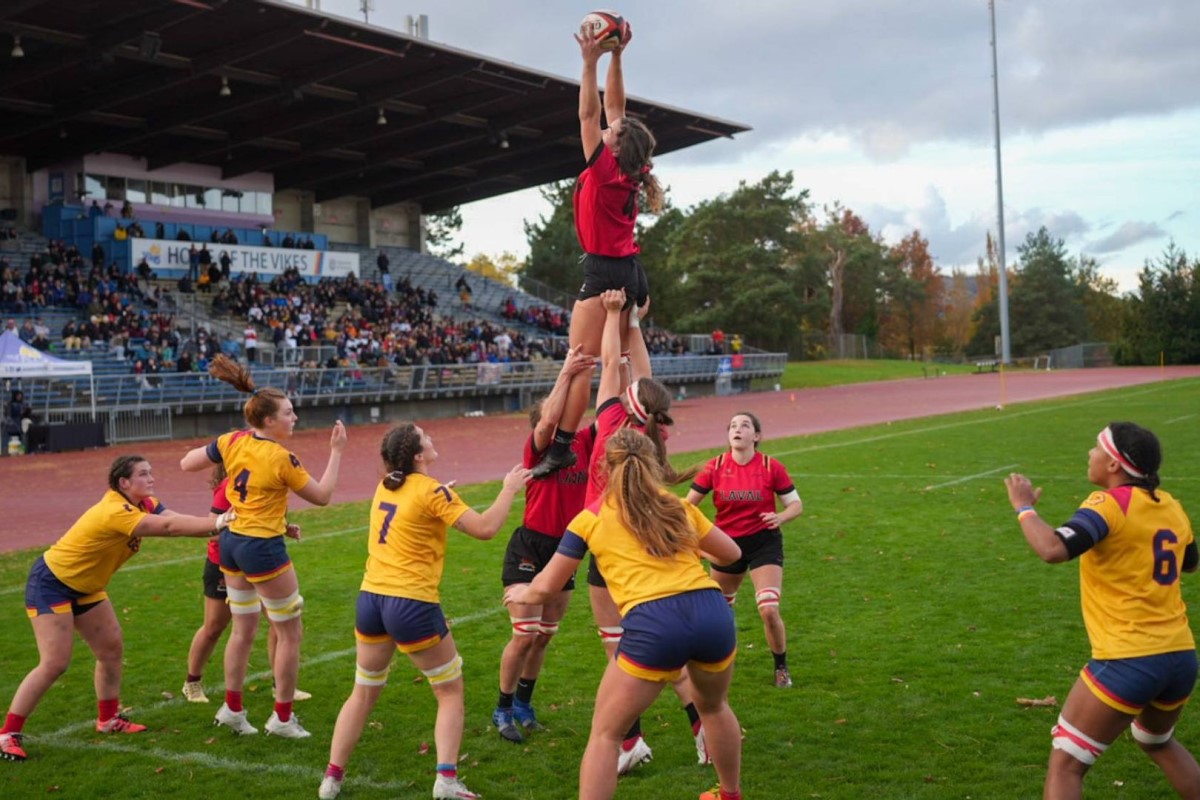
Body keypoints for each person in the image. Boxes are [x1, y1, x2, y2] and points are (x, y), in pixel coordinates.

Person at [506, 427, 745, 800]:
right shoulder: (677, 506)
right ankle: (730, 793)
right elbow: (731, 554)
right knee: (714, 707)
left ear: (602, 466)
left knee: (605, 734)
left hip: (655, 621)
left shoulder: (590, 518)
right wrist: (692, 555)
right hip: (710, 610)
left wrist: (521, 592)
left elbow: (546, 586)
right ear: (651, 462)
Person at [317, 424, 529, 800]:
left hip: (371, 600)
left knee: (363, 692)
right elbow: (485, 528)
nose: (432, 437)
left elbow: (412, 508)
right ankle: (446, 780)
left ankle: (332, 779)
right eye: (424, 436)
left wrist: (436, 492)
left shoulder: (389, 485)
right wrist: (508, 489)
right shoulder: (432, 491)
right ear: (417, 455)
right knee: (450, 692)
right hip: (410, 603)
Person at [1004, 422, 1200, 799]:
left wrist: (1024, 507)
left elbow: (1052, 549)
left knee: (1066, 765)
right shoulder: (1171, 505)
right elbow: (1190, 562)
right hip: (1180, 656)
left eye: (1096, 448)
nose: (1089, 454)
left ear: (1114, 464)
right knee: (1157, 742)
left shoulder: (1107, 505)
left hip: (1130, 658)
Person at [0, 456, 234, 762]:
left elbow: (174, 517)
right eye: (143, 474)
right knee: (55, 662)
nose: (151, 478)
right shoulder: (116, 510)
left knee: (111, 650)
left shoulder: (144, 502)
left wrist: (218, 527)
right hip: (52, 583)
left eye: (150, 471)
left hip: (86, 585)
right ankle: (7, 734)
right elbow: (168, 527)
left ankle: (108, 720)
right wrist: (219, 522)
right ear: (124, 483)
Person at [180, 354, 346, 739]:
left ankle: (233, 710)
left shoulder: (233, 440)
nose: (295, 418)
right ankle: (282, 717)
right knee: (290, 632)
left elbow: (188, 463)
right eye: (289, 413)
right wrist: (337, 451)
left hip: (231, 541)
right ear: (268, 420)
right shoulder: (282, 457)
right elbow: (321, 496)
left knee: (243, 630)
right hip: (261, 547)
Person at [581, 289, 708, 771]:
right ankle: (696, 727)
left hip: (609, 539)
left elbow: (612, 362)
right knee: (661, 649)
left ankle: (629, 742)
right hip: (652, 536)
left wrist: (614, 314)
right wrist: (633, 320)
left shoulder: (612, 419)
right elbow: (640, 372)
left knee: (619, 645)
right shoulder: (656, 434)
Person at [530, 20, 662, 479]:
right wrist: (618, 57)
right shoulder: (632, 165)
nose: (607, 129)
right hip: (628, 269)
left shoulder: (607, 171)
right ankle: (645, 430)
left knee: (581, 362)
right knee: (623, 359)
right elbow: (616, 109)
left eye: (612, 132)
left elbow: (590, 115)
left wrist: (589, 63)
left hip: (609, 270)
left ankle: (562, 446)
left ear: (615, 146)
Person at [493, 346, 597, 743]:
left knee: (544, 635)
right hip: (530, 547)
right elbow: (552, 416)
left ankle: (523, 703)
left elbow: (611, 408)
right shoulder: (538, 449)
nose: (559, 424)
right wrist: (567, 371)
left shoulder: (584, 444)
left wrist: (617, 350)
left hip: (566, 550)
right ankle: (501, 709)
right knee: (523, 634)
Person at [686, 412, 804, 688]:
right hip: (726, 545)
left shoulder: (771, 466)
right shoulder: (714, 467)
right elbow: (687, 507)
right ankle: (721, 660)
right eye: (733, 426)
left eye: (745, 425)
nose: (738, 429)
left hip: (764, 542)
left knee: (769, 610)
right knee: (719, 612)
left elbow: (796, 504)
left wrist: (780, 518)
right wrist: (698, 540)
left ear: (757, 436)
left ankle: (781, 668)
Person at [181, 464, 311, 705]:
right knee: (214, 626)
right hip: (225, 563)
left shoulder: (259, 480)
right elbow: (212, 526)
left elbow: (260, 519)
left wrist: (282, 528)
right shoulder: (227, 487)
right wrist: (242, 537)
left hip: (257, 562)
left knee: (279, 623)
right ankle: (192, 682)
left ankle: (281, 686)